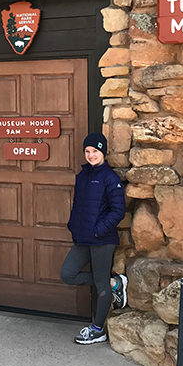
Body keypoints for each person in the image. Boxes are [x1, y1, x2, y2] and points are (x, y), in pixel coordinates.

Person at [61, 132, 128, 344]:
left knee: (101, 286)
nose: (91, 155)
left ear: (103, 153)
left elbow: (118, 211)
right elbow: (77, 205)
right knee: (68, 274)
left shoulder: (110, 178)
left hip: (102, 240)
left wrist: (99, 230)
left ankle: (98, 330)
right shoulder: (83, 176)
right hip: (82, 238)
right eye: (88, 151)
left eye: (95, 151)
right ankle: (114, 283)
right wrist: (73, 226)